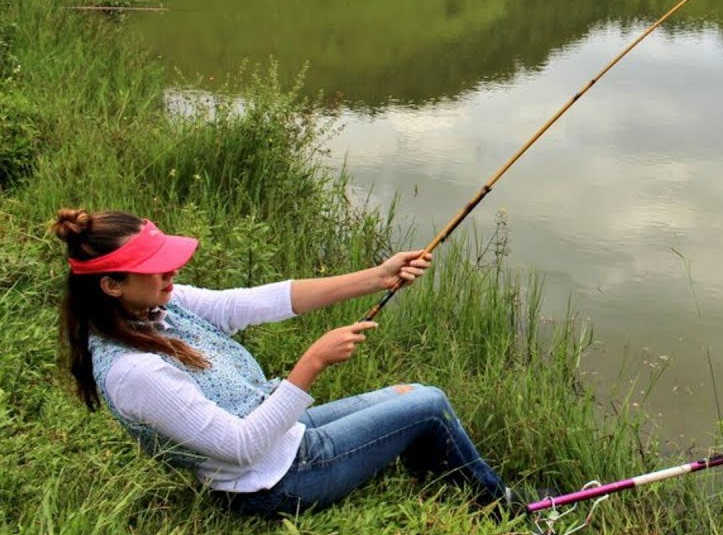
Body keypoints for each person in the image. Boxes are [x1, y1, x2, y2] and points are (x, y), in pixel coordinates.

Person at [52, 208, 520, 518]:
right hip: (274, 482)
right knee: (428, 403)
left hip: (282, 437)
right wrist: (312, 362)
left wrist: (377, 277)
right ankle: (507, 510)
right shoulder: (134, 372)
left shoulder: (156, 306)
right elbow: (239, 447)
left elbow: (252, 303)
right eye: (157, 266)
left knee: (409, 394)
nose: (172, 272)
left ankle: (433, 480)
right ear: (112, 284)